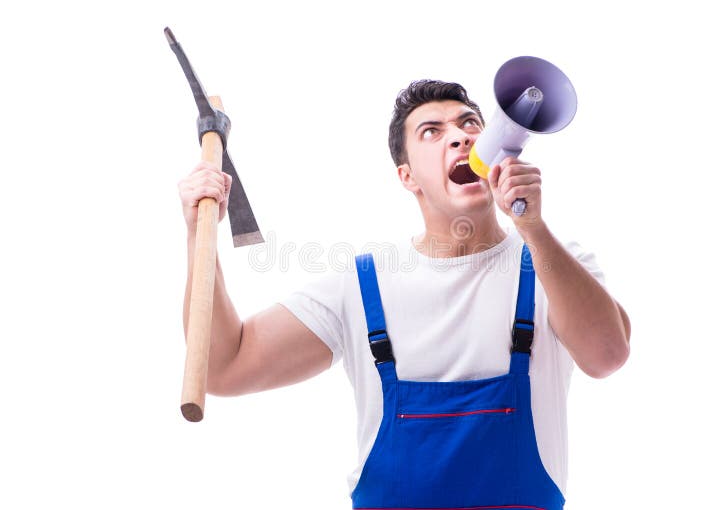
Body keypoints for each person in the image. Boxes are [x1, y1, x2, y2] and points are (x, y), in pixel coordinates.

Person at [178, 80, 631, 510]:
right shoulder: (360, 285)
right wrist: (199, 235)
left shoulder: (553, 265)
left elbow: (607, 355)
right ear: (407, 176)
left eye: (471, 123)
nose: (461, 137)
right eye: (432, 131)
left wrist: (531, 226)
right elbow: (224, 366)